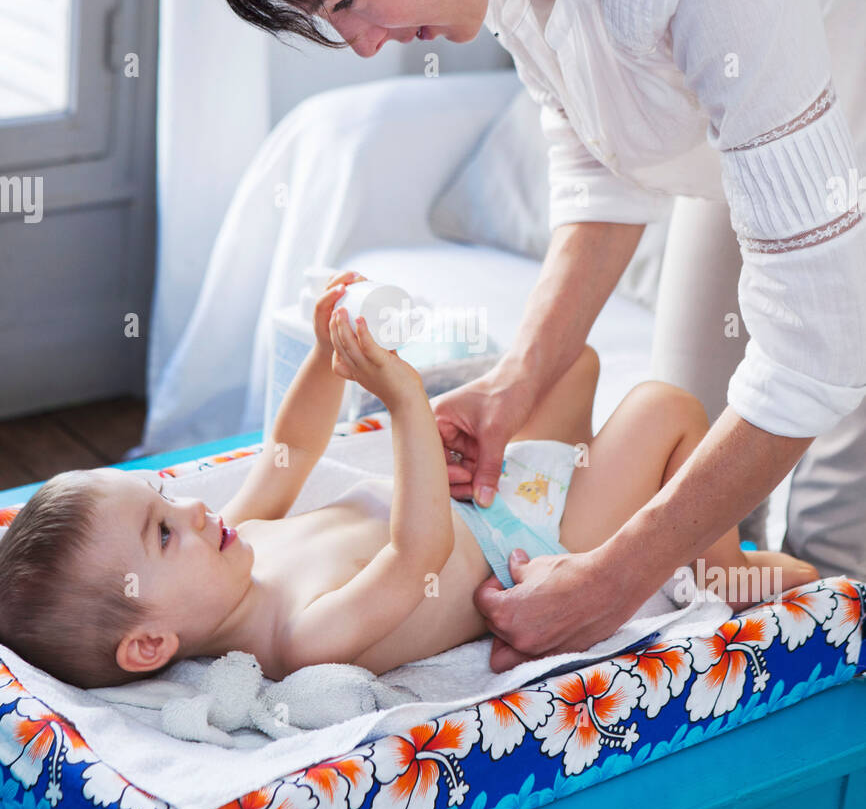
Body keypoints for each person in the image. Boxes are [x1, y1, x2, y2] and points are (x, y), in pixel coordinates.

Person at [192, 0, 866, 809]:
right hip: (776, 74)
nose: (358, 41)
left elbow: (811, 353)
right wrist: (516, 380)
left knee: (817, 529)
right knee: (690, 423)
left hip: (834, 32)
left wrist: (614, 576)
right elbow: (599, 167)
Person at [0, 270, 819, 693]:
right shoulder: (296, 636)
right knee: (665, 405)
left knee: (569, 364)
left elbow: (290, 447)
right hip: (531, 548)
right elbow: (418, 552)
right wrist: (403, 406)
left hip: (488, 499)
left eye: (162, 500)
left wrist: (327, 352)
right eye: (163, 531)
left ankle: (680, 532)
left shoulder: (240, 542)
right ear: (151, 645)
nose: (187, 504)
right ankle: (716, 564)